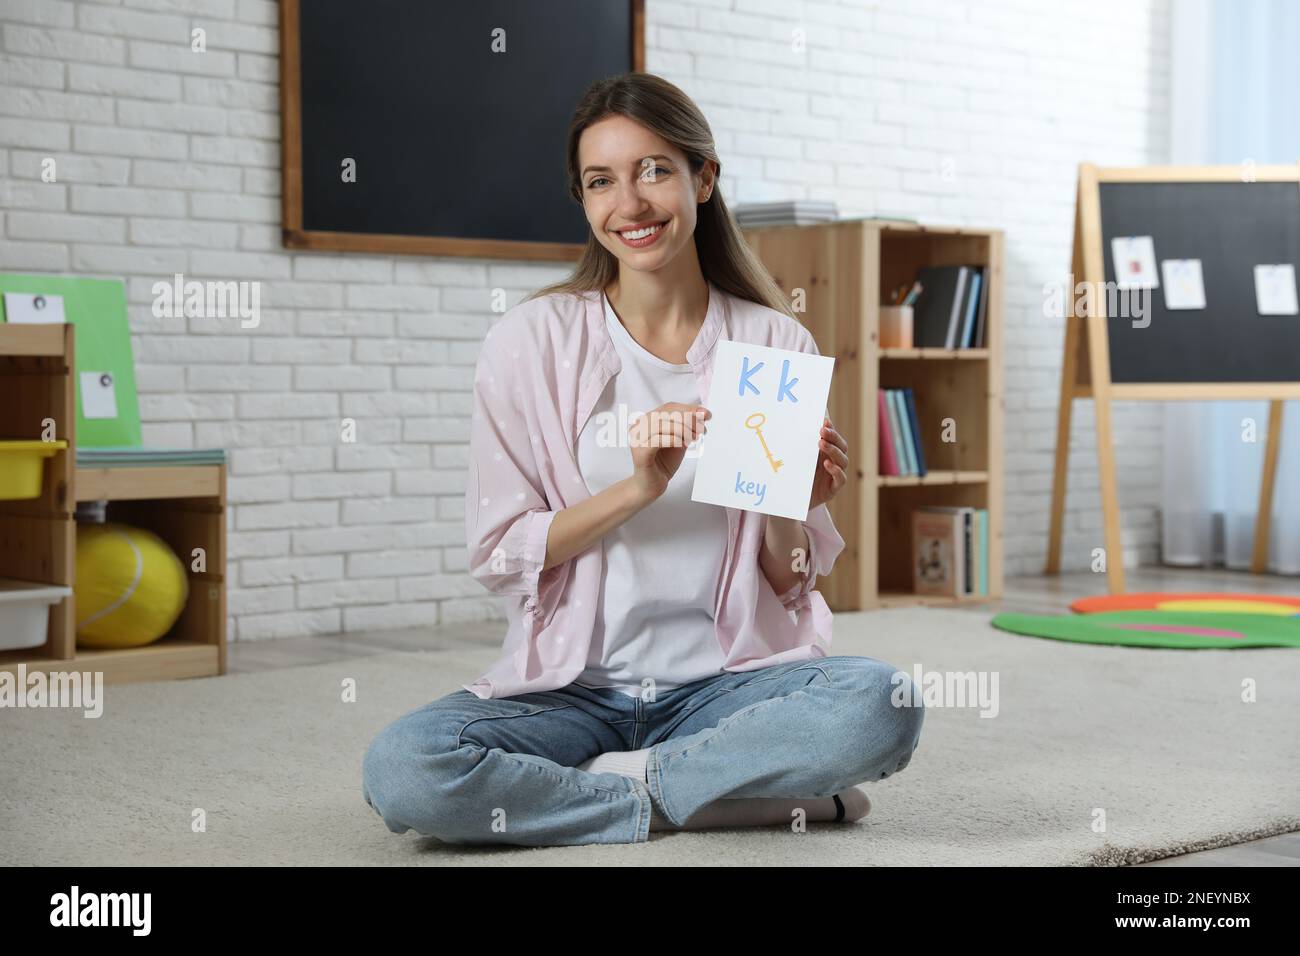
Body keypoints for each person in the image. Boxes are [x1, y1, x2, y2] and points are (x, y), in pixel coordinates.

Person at [362, 72, 923, 847]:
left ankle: (624, 784)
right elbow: (500, 551)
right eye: (602, 181)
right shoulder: (532, 342)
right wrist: (638, 487)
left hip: (725, 688)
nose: (629, 204)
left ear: (704, 177)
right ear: (585, 200)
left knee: (880, 701)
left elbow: (791, 582)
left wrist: (788, 501)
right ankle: (715, 793)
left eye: (654, 170)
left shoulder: (771, 343)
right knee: (406, 769)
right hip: (572, 694)